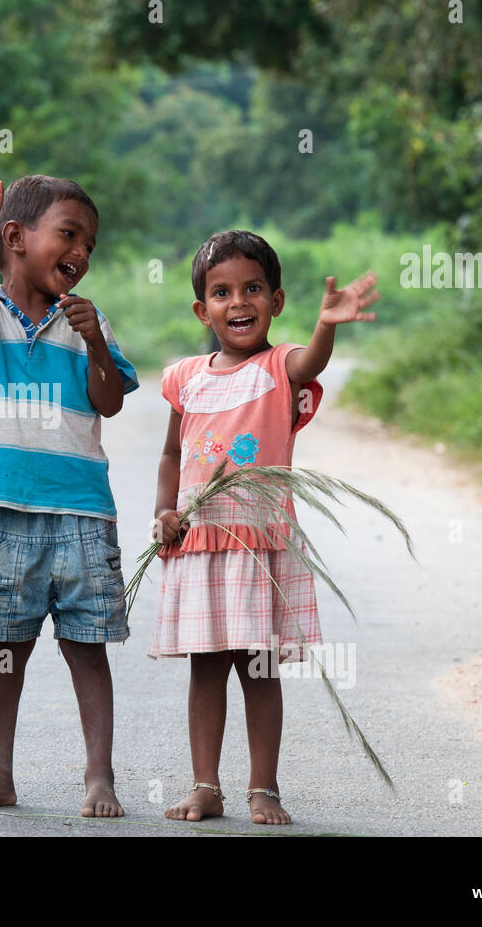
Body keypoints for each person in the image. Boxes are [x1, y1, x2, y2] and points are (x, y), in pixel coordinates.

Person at [152, 229, 379, 824]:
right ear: (203, 309)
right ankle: (206, 785)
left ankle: (263, 788)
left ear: (276, 301)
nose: (239, 302)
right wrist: (165, 510)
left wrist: (327, 324)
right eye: (222, 292)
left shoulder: (281, 368)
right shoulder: (185, 377)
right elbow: (172, 454)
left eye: (253, 288)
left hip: (257, 545)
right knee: (206, 668)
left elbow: (312, 361)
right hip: (200, 544)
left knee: (259, 668)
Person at [0, 163, 139, 818]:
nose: (81, 254)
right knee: (7, 649)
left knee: (87, 648)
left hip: (84, 512)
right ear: (17, 236)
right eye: (70, 235)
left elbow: (107, 401)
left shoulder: (89, 321)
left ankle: (98, 777)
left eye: (90, 246)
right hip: (8, 513)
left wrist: (95, 344)